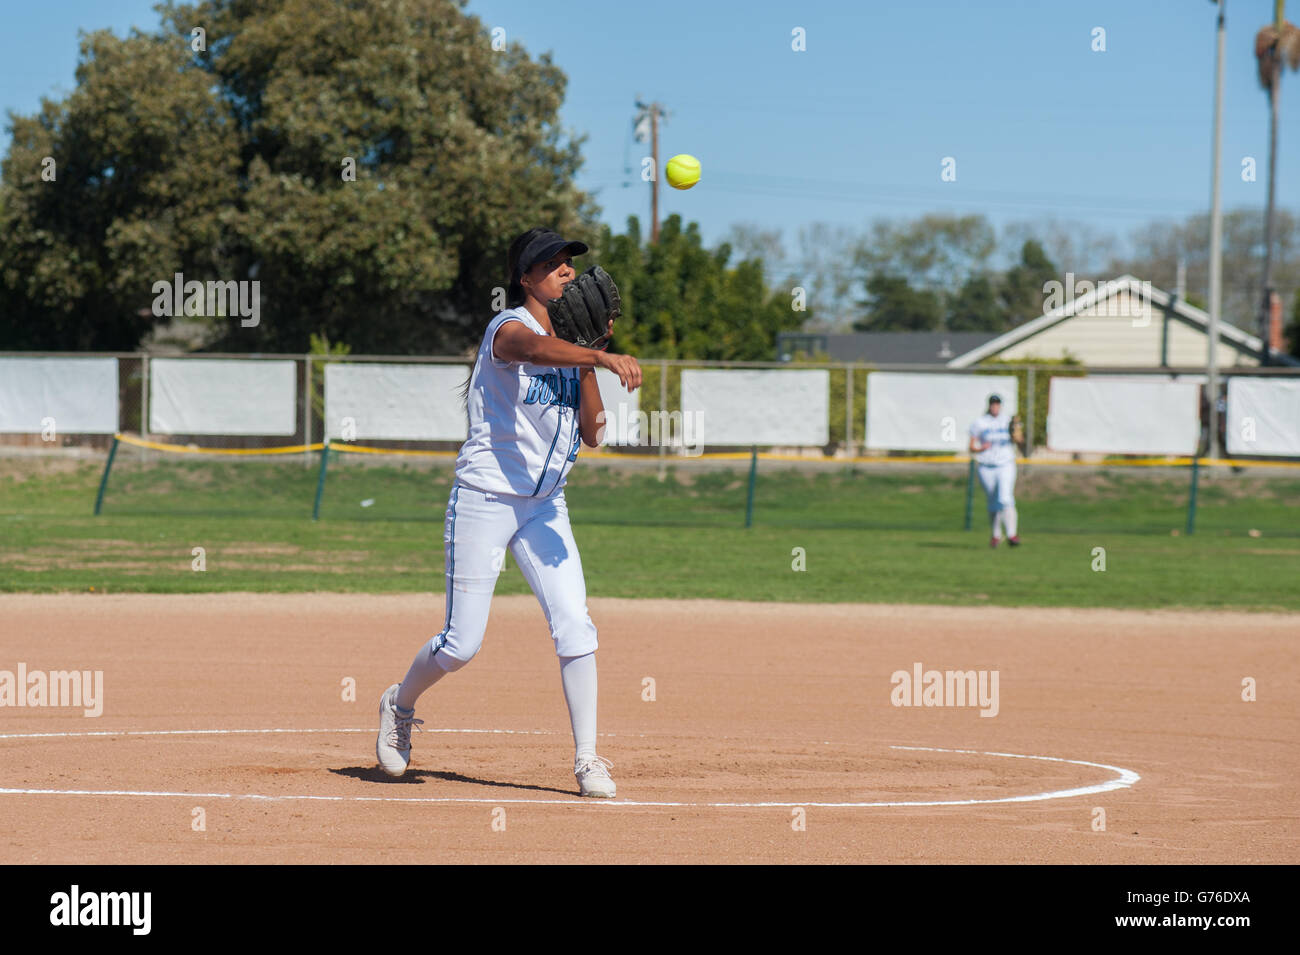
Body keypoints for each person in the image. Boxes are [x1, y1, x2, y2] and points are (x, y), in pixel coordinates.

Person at [375, 227, 642, 797]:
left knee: (576, 624)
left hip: (546, 506)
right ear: (525, 279)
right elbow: (529, 349)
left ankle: (589, 759)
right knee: (461, 645)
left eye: (570, 261)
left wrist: (589, 364)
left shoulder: (574, 353)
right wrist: (598, 351)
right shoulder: (507, 328)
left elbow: (594, 435)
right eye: (551, 263)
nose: (566, 269)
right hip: (487, 497)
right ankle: (399, 704)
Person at [969, 393, 1021, 548]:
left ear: (1001, 405)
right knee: (993, 502)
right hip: (986, 466)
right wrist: (980, 448)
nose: (995, 406)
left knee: (1005, 498)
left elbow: (1020, 440)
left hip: (1005, 464)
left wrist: (1015, 432)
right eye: (993, 404)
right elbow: (971, 446)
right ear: (989, 405)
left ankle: (1012, 535)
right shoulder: (980, 422)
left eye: (997, 404)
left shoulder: (1007, 421)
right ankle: (996, 535)